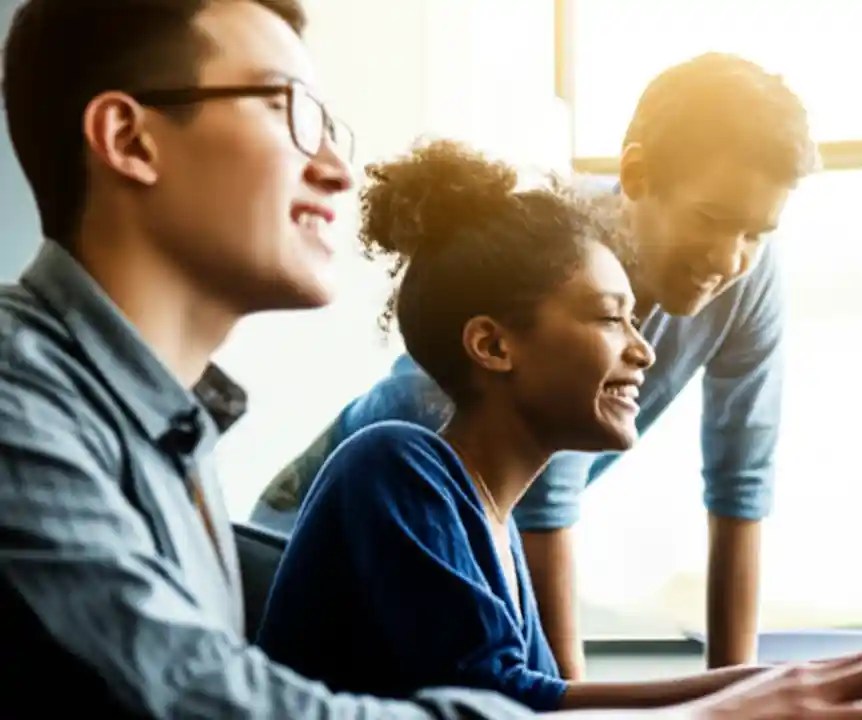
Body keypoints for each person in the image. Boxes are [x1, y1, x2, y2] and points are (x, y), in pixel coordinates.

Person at [0, 0, 862, 717]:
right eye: (284, 109)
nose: (338, 168)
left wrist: (785, 684)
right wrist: (732, 709)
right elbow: (216, 709)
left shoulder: (174, 445)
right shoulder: (19, 398)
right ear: (129, 139)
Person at [255, 140, 862, 713]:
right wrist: (777, 696)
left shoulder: (495, 525)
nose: (645, 349)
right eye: (611, 317)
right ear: (493, 344)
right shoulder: (393, 465)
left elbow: (533, 697)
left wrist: (814, 681)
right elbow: (504, 711)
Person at [252, 50, 813, 678]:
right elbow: (525, 695)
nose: (734, 258)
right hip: (314, 533)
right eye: (713, 219)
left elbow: (742, 482)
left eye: (757, 233)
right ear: (637, 173)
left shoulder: (501, 521)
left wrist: (749, 696)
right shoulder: (552, 267)